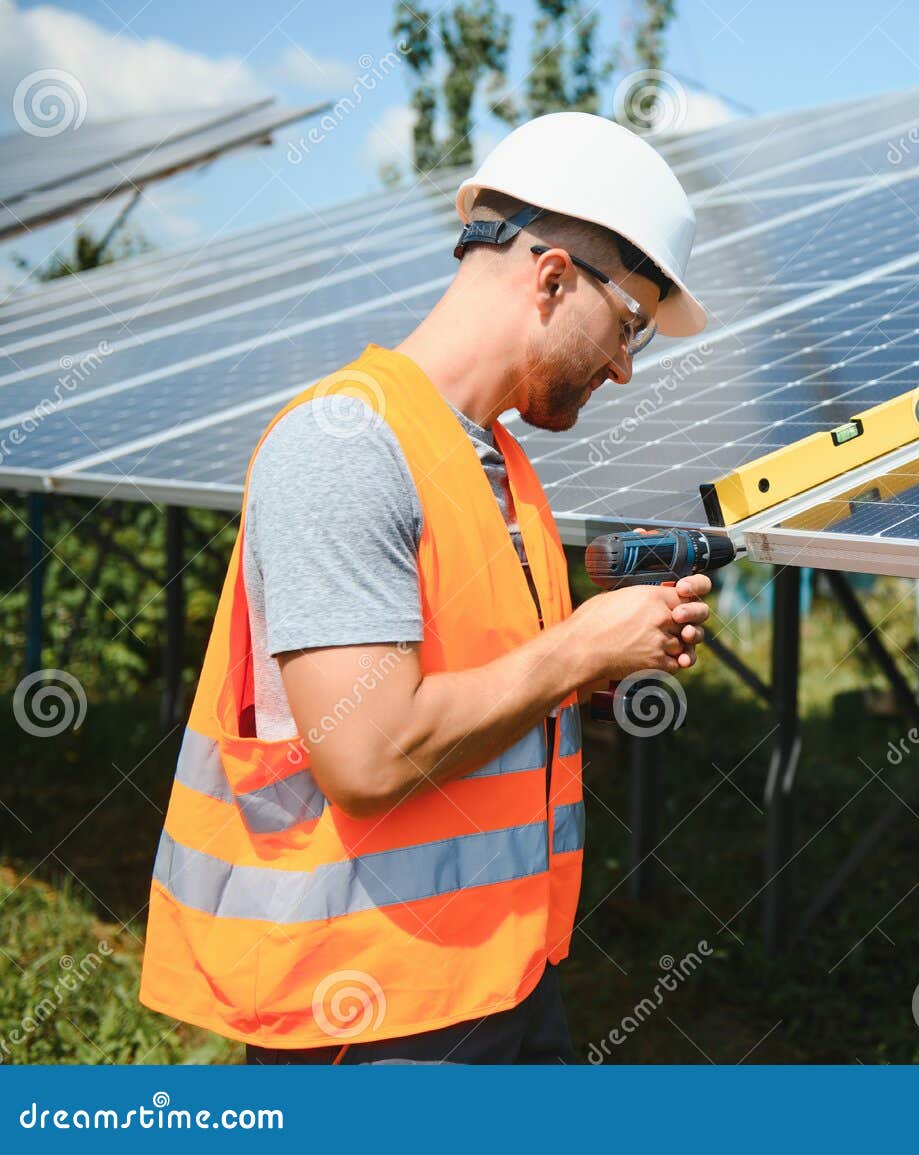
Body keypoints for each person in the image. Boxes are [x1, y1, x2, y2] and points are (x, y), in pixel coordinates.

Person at [138, 112, 711, 1064]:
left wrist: (589, 671)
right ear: (554, 277)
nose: (622, 366)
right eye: (630, 325)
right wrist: (578, 648)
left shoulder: (503, 468)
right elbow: (365, 754)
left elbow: (478, 684)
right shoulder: (346, 448)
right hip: (367, 1018)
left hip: (506, 976)